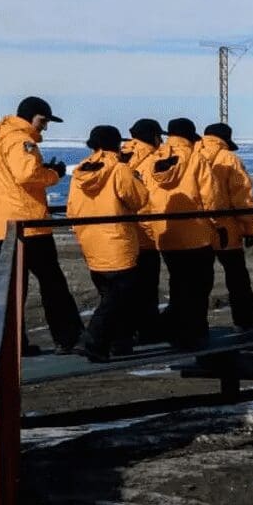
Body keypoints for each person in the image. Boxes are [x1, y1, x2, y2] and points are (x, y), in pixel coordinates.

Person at [0, 96, 81, 352]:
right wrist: (53, 174)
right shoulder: (20, 140)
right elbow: (26, 174)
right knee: (52, 283)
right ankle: (70, 337)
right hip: (28, 223)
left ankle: (9, 344)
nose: (44, 127)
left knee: (9, 287)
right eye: (42, 120)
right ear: (30, 116)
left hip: (3, 224)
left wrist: (42, 168)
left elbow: (14, 175)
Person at [66, 125, 149, 361]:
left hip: (91, 242)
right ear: (116, 144)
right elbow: (138, 199)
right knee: (118, 297)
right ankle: (93, 341)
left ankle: (118, 342)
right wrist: (137, 179)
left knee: (109, 295)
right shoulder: (120, 170)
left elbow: (72, 208)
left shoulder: (80, 172)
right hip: (117, 241)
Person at [148, 118, 217, 350]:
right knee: (199, 286)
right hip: (195, 233)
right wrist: (217, 224)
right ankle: (194, 332)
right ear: (190, 137)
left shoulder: (154, 160)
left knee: (178, 284)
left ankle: (173, 329)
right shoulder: (197, 159)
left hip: (164, 233)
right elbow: (210, 197)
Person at [196, 122, 253, 330]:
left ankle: (195, 323)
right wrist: (251, 228)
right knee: (237, 277)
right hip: (226, 229)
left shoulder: (190, 155)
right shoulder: (229, 159)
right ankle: (246, 317)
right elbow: (242, 197)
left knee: (197, 280)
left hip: (196, 229)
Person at [122, 118, 166, 339]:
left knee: (128, 286)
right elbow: (153, 198)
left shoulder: (121, 156)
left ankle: (129, 329)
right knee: (148, 285)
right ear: (153, 136)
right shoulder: (153, 160)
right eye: (160, 136)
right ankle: (148, 328)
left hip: (125, 232)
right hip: (147, 231)